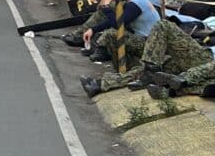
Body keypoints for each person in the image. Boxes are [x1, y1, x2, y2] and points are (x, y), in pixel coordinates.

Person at [81, 15, 215, 98]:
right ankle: (99, 85)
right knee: (150, 70)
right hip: (202, 58)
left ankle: (152, 74)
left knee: (163, 26)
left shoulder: (137, 0)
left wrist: (184, 78)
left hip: (205, 60)